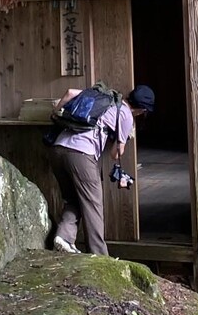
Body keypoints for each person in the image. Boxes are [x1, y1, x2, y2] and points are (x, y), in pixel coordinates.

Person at [48, 84, 155, 256]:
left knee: (73, 199)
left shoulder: (106, 98)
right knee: (93, 205)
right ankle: (99, 255)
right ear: (142, 110)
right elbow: (115, 153)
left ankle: (64, 237)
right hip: (81, 155)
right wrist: (123, 137)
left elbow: (70, 92)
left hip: (57, 148)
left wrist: (54, 115)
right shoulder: (126, 115)